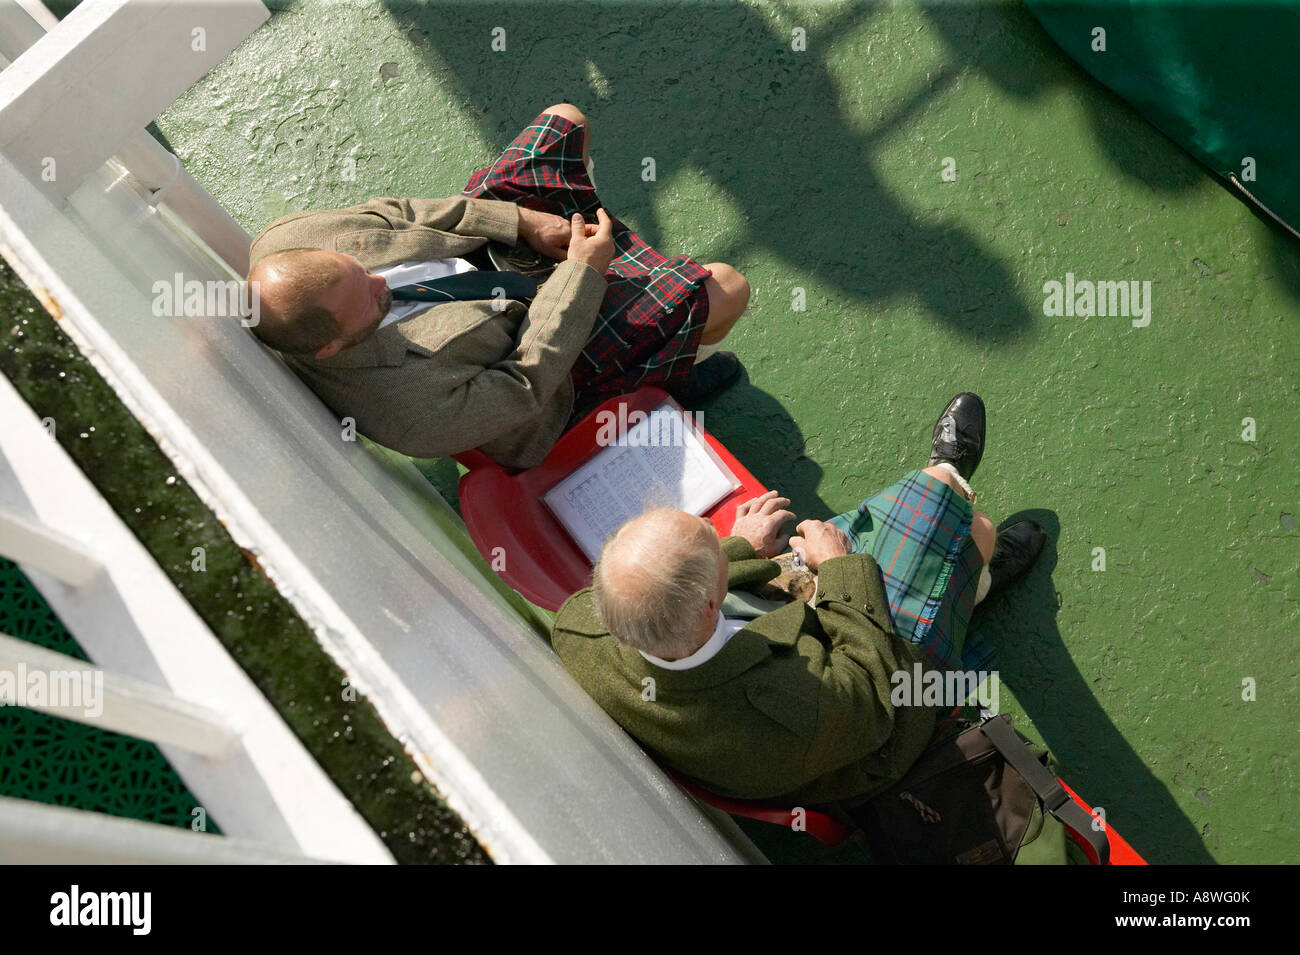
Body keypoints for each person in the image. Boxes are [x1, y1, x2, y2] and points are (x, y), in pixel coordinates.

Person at [551, 393, 1046, 807]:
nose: (717, 531)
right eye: (714, 542)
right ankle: (968, 553)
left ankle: (966, 569)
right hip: (875, 713)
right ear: (708, 605)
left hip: (802, 678)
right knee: (971, 528)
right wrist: (836, 569)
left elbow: (660, 593)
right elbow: (872, 694)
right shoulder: (792, 709)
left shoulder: (580, 626)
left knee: (946, 533)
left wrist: (741, 547)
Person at [245, 104, 750, 468]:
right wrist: (582, 273)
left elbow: (405, 216)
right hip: (550, 363)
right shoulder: (410, 414)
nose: (381, 280)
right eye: (371, 298)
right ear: (331, 345)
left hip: (490, 254)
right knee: (727, 288)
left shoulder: (290, 238)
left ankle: (659, 340)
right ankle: (670, 371)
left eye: (361, 268)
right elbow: (527, 379)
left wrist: (522, 222)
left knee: (565, 122)